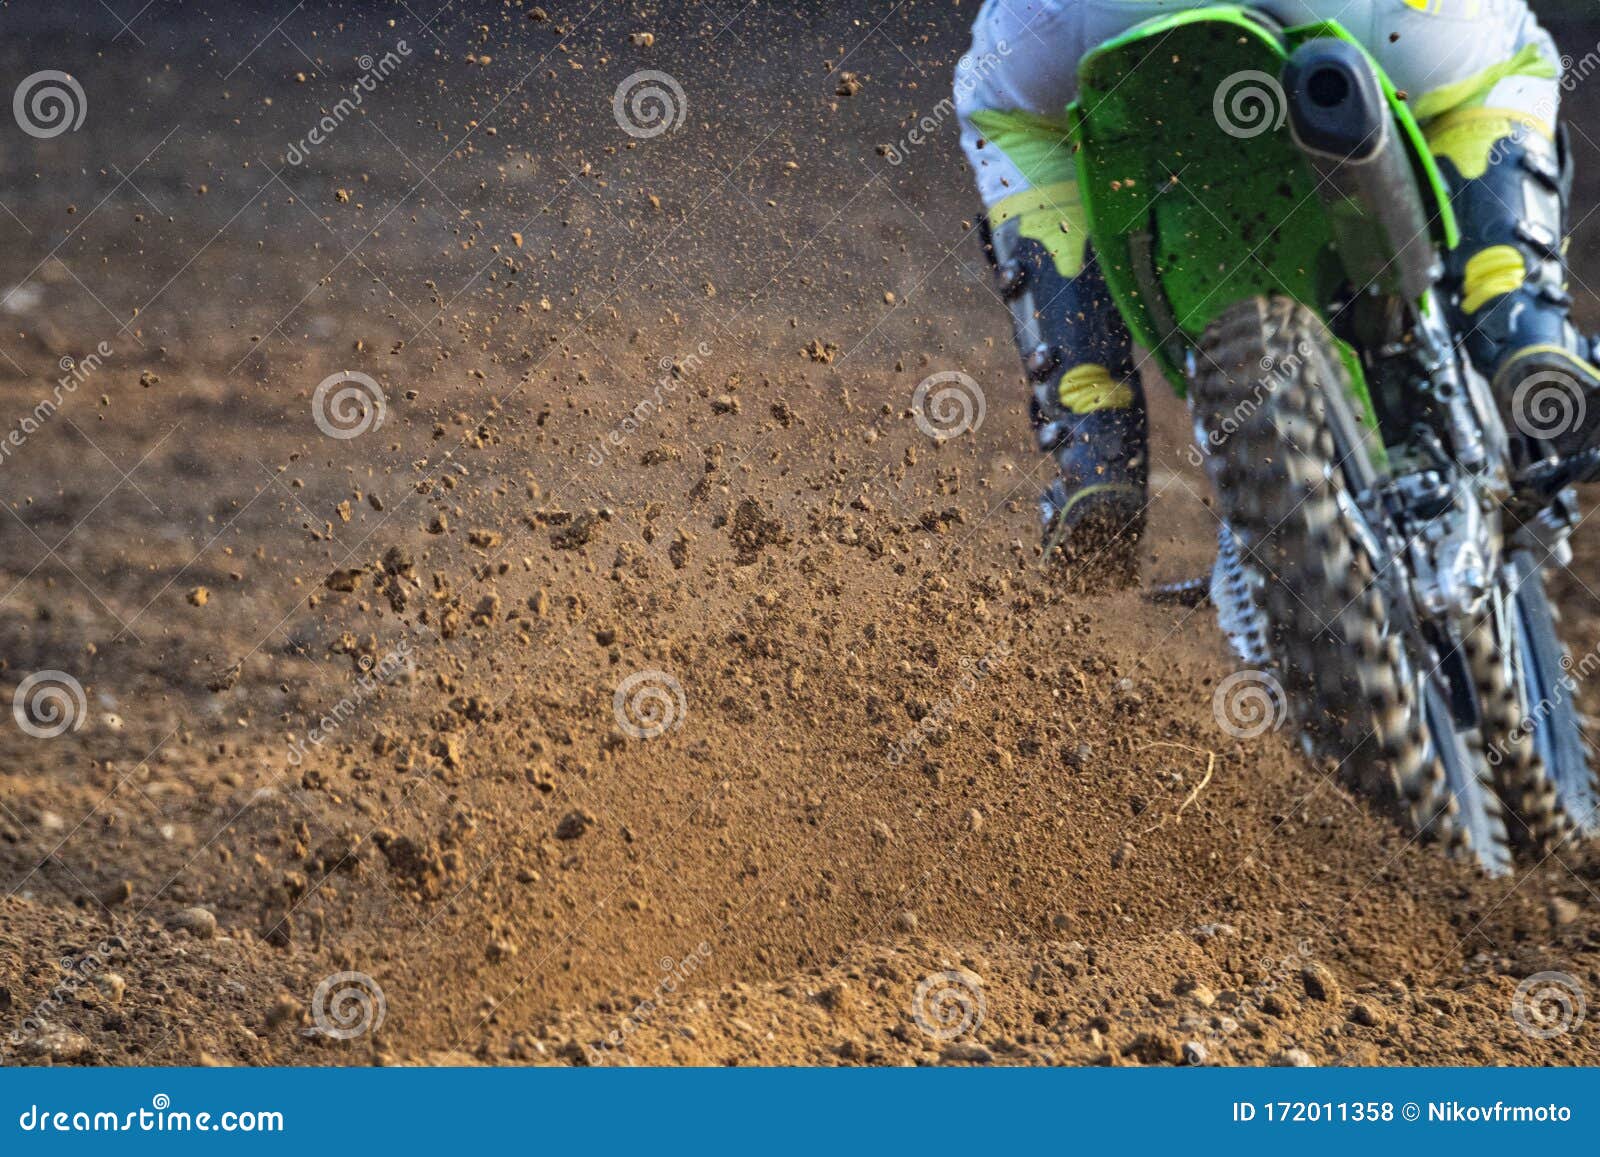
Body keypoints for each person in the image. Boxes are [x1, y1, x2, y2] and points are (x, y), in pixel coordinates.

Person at [956, 0, 1596, 579]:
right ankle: (1524, 329)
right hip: (1387, 24)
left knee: (1001, 110)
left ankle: (1094, 446)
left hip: (1097, 23)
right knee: (1507, 61)